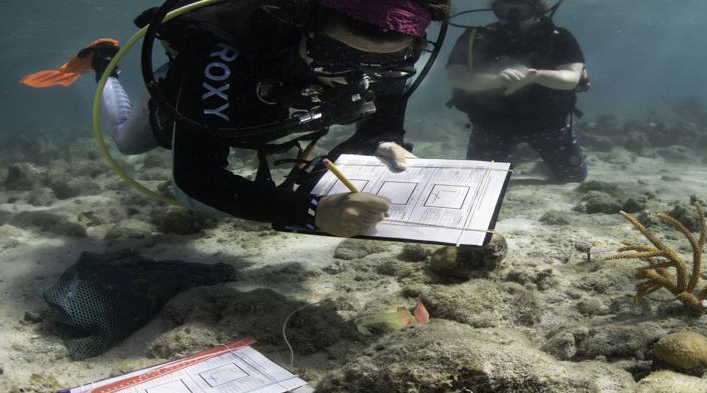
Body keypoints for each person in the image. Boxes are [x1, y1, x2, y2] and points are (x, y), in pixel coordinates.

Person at [24, 0, 452, 237]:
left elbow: (384, 115)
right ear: (303, 29)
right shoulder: (225, 57)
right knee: (128, 142)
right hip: (200, 105)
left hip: (278, 118)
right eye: (336, 56)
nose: (356, 75)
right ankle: (103, 64)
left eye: (394, 62)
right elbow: (196, 180)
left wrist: (381, 139)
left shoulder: (385, 63)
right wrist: (308, 211)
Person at [446, 0, 588, 183]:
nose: (513, 17)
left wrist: (535, 76)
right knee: (479, 180)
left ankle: (532, 161)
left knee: (573, 177)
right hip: (492, 123)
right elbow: (456, 75)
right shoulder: (475, 37)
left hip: (547, 122)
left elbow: (571, 78)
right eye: (504, 9)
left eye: (522, 10)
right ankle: (514, 158)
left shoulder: (559, 37)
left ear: (537, 10)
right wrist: (498, 80)